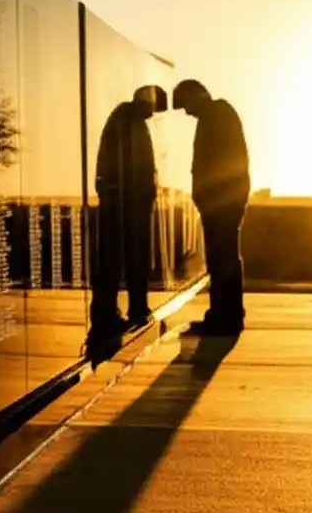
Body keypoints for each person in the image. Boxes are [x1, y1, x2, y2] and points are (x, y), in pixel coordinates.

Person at [172, 79, 250, 335]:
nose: (186, 112)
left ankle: (226, 315)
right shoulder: (217, 114)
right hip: (221, 201)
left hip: (222, 203)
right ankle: (224, 313)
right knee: (221, 258)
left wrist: (215, 197)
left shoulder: (216, 115)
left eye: (186, 105)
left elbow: (220, 163)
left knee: (222, 258)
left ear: (195, 97)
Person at [90, 85, 165, 340]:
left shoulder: (127, 118)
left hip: (129, 202)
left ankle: (127, 310)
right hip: (125, 204)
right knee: (118, 259)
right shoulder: (127, 120)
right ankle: (109, 313)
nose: (153, 113)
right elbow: (126, 165)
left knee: (127, 258)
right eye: (153, 106)